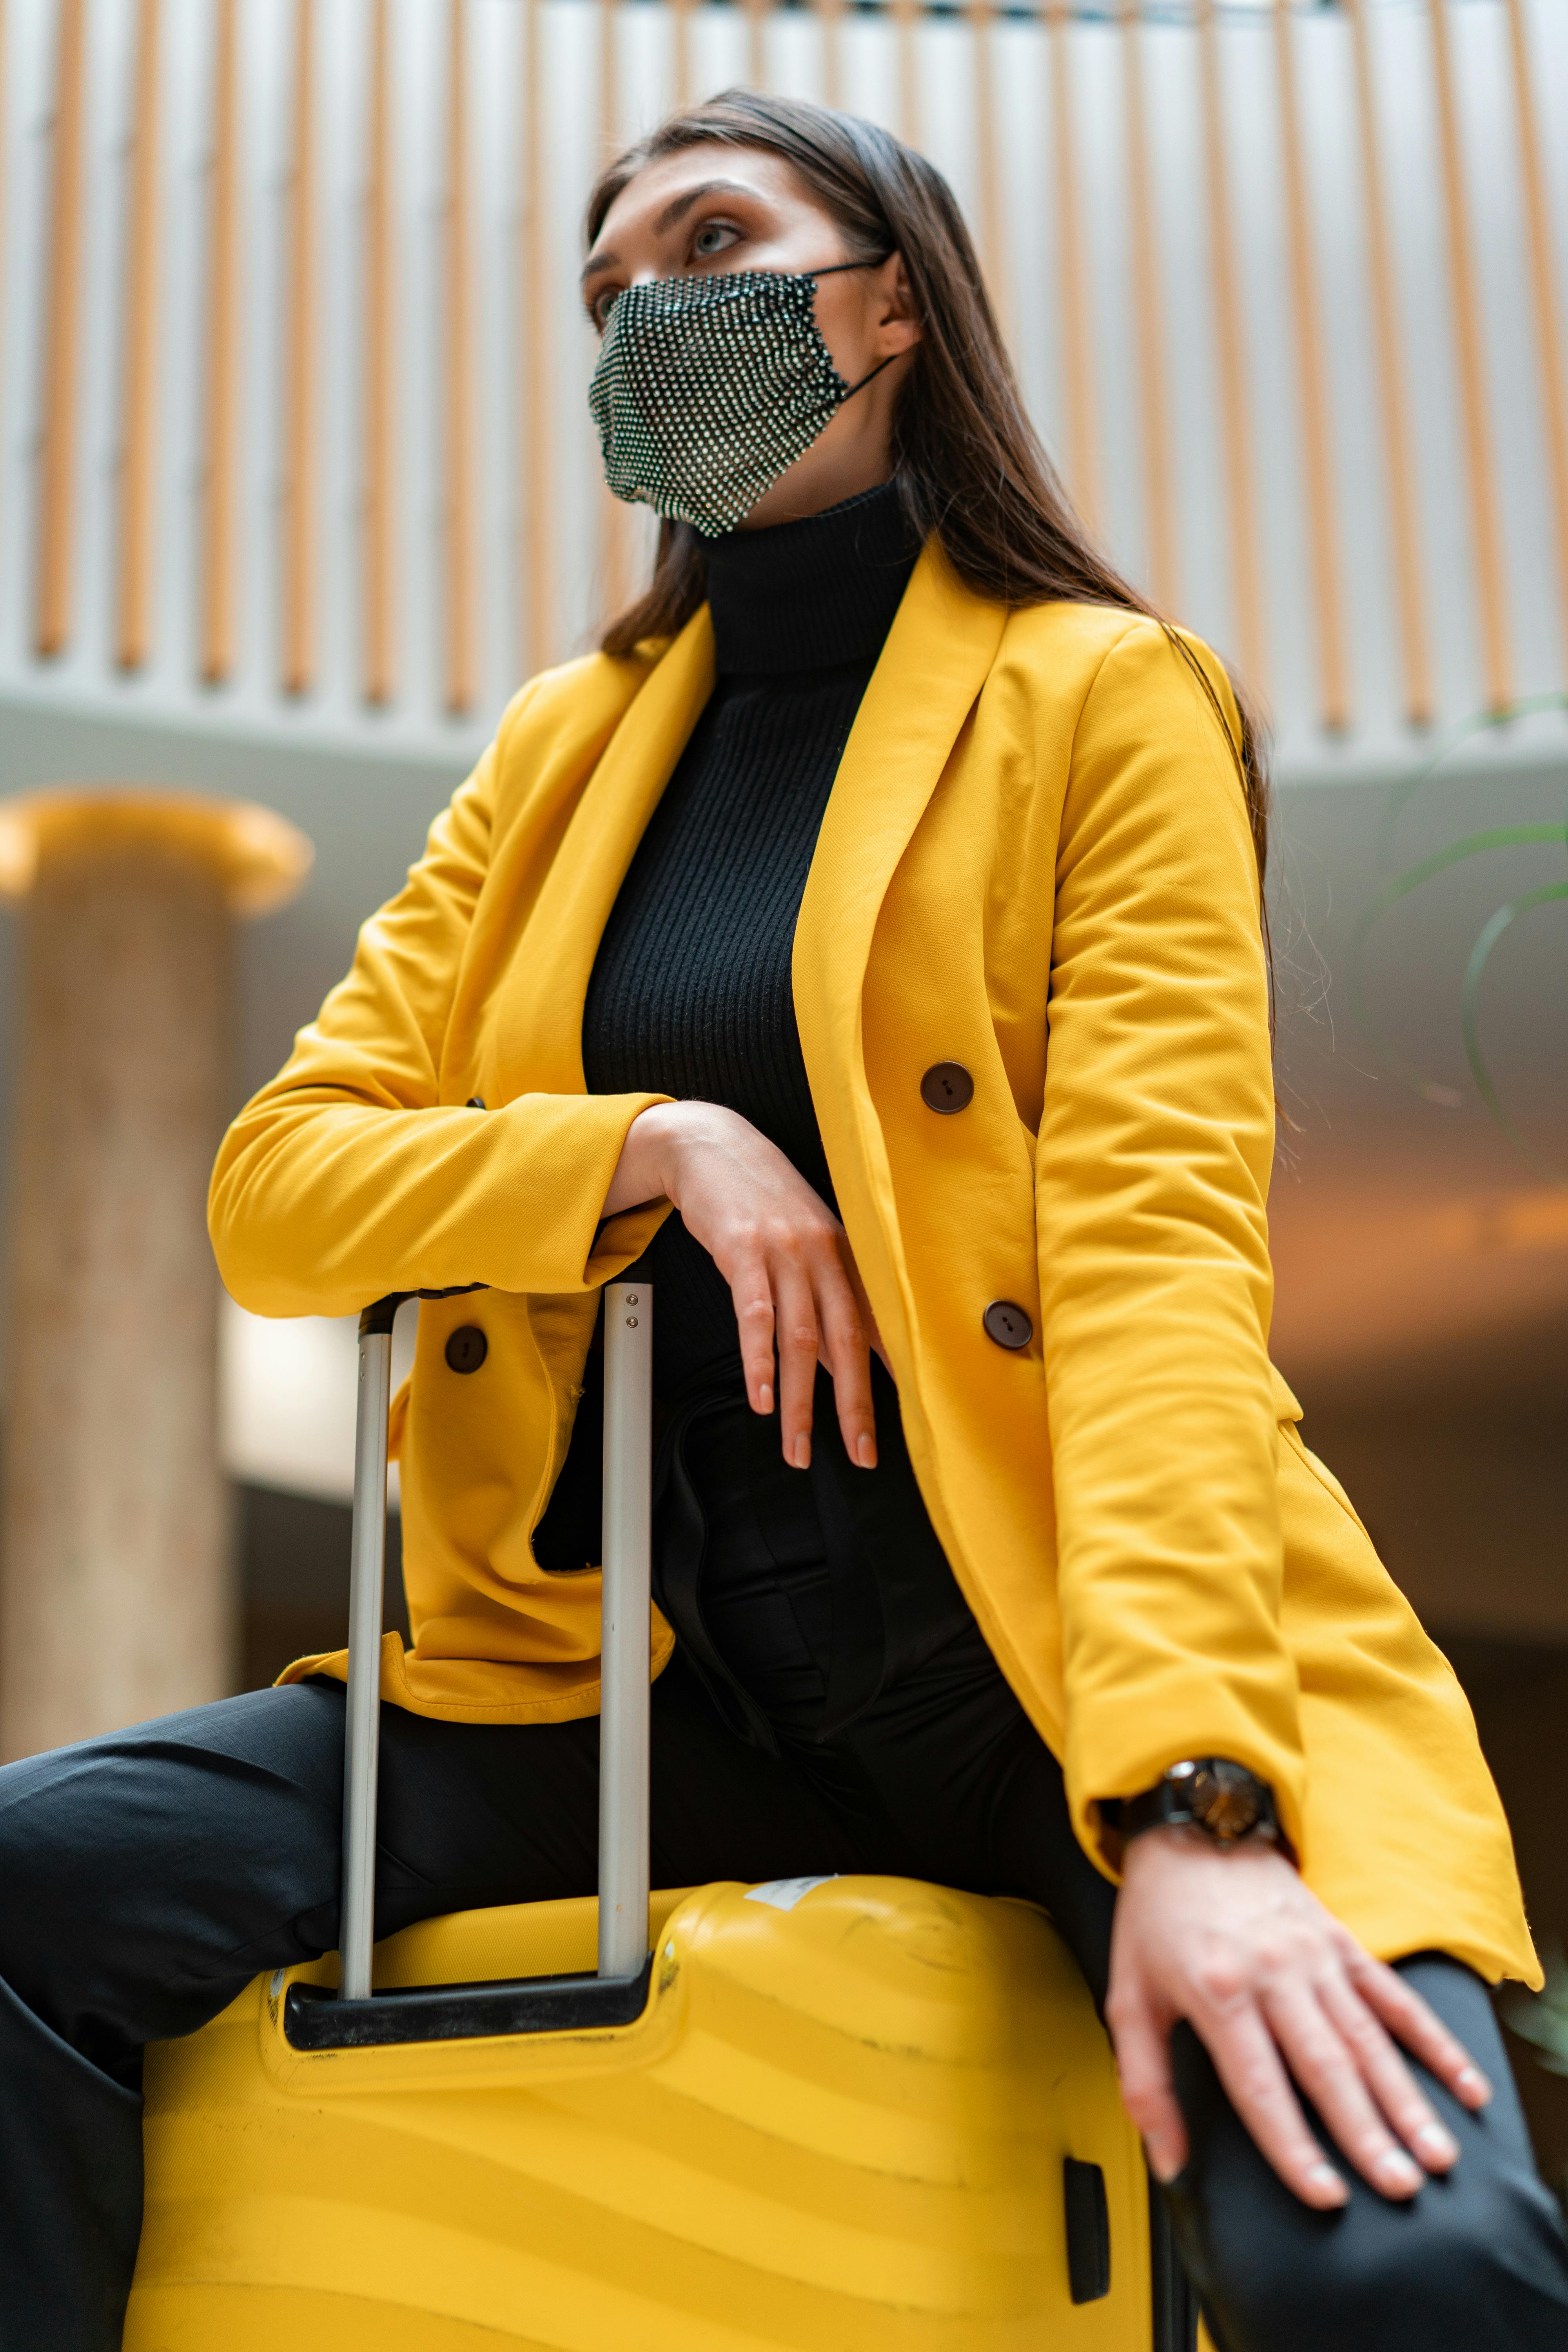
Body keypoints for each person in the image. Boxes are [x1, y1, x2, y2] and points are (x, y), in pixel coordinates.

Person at [0, 87, 1564, 2352]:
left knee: (1411, 2265)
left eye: (712, 238)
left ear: (894, 297)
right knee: (34, 1891)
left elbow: (1148, 1277)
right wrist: (641, 1146)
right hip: (628, 1682)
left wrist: (1202, 1818)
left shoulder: (1096, 695)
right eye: (606, 290)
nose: (652, 312)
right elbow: (278, 1194)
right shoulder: (560, 753)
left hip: (1046, 1660)